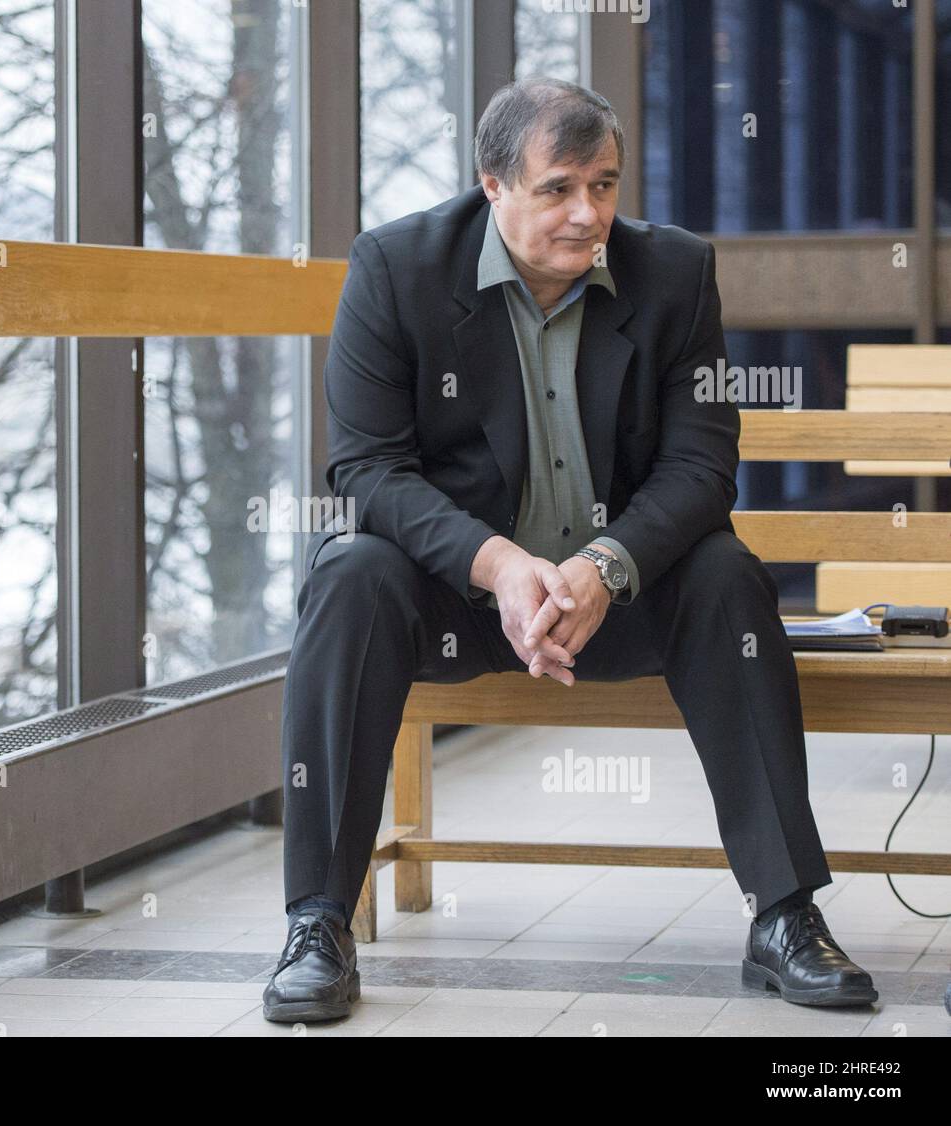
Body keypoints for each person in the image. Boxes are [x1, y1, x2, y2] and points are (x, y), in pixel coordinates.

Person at [262, 76, 877, 1024]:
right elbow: (367, 470)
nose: (587, 213)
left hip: (622, 606)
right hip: (462, 607)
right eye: (557, 188)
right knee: (349, 573)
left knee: (726, 574)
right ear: (492, 184)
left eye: (604, 184)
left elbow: (703, 467)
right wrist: (501, 565)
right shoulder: (394, 270)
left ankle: (786, 917)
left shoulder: (675, 274)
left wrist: (605, 567)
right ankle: (317, 924)